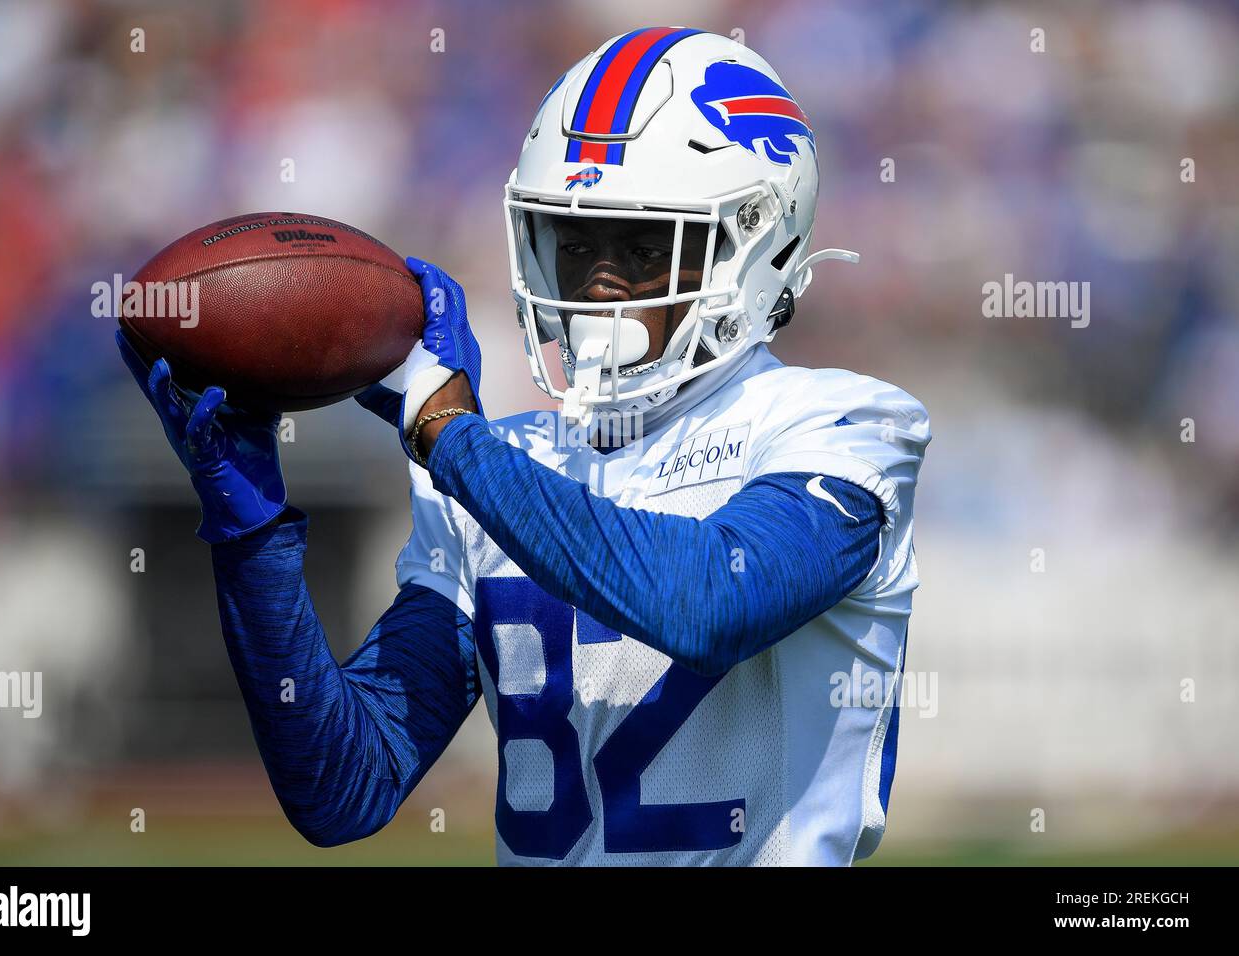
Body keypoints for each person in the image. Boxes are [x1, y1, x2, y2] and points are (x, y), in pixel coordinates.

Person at [117, 28, 930, 866]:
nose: (599, 280)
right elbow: (343, 789)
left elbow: (709, 605)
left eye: (645, 248)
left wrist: (450, 438)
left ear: (757, 246)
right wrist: (251, 537)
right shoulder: (497, 467)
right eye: (574, 243)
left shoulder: (845, 425)